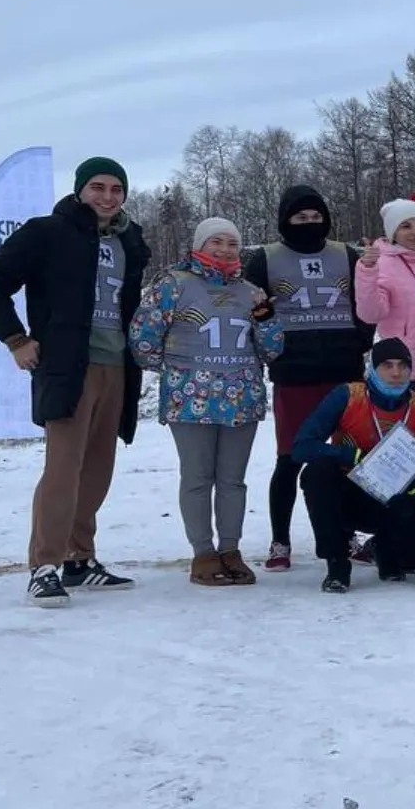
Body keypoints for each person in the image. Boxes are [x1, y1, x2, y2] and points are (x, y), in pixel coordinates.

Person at [0, 156, 152, 606]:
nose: (107, 197)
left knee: (97, 469)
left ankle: (79, 559)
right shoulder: (47, 232)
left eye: (116, 189)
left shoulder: (131, 240)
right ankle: (45, 565)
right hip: (69, 365)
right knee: (63, 468)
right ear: (79, 190)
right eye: (98, 187)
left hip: (117, 365)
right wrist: (16, 339)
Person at [130, 218, 286, 587]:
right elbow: (142, 339)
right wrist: (178, 372)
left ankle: (230, 550)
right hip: (191, 400)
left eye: (232, 244)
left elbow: (272, 349)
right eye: (216, 242)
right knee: (198, 478)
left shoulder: (250, 291)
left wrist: (266, 320)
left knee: (233, 480)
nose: (225, 250)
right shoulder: (173, 286)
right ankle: (202, 553)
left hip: (240, 399)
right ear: (200, 244)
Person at [243, 184, 374, 572]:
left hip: (344, 373)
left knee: (348, 459)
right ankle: (280, 540)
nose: (309, 223)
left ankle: (346, 532)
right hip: (295, 374)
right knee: (291, 458)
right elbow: (255, 311)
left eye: (316, 217)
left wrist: (359, 343)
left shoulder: (345, 254)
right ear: (286, 220)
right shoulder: (265, 259)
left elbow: (365, 304)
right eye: (300, 218)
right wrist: (274, 354)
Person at [291, 338, 415, 592]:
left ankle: (388, 550)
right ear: (371, 369)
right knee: (316, 473)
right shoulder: (347, 396)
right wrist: (351, 456)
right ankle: (337, 562)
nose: (396, 373)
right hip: (351, 495)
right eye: (387, 365)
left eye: (403, 366)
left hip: (396, 498)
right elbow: (301, 447)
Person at [355, 199, 415, 399]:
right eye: (406, 226)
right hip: (404, 376)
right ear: (393, 232)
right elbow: (370, 314)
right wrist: (367, 270)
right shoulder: (382, 266)